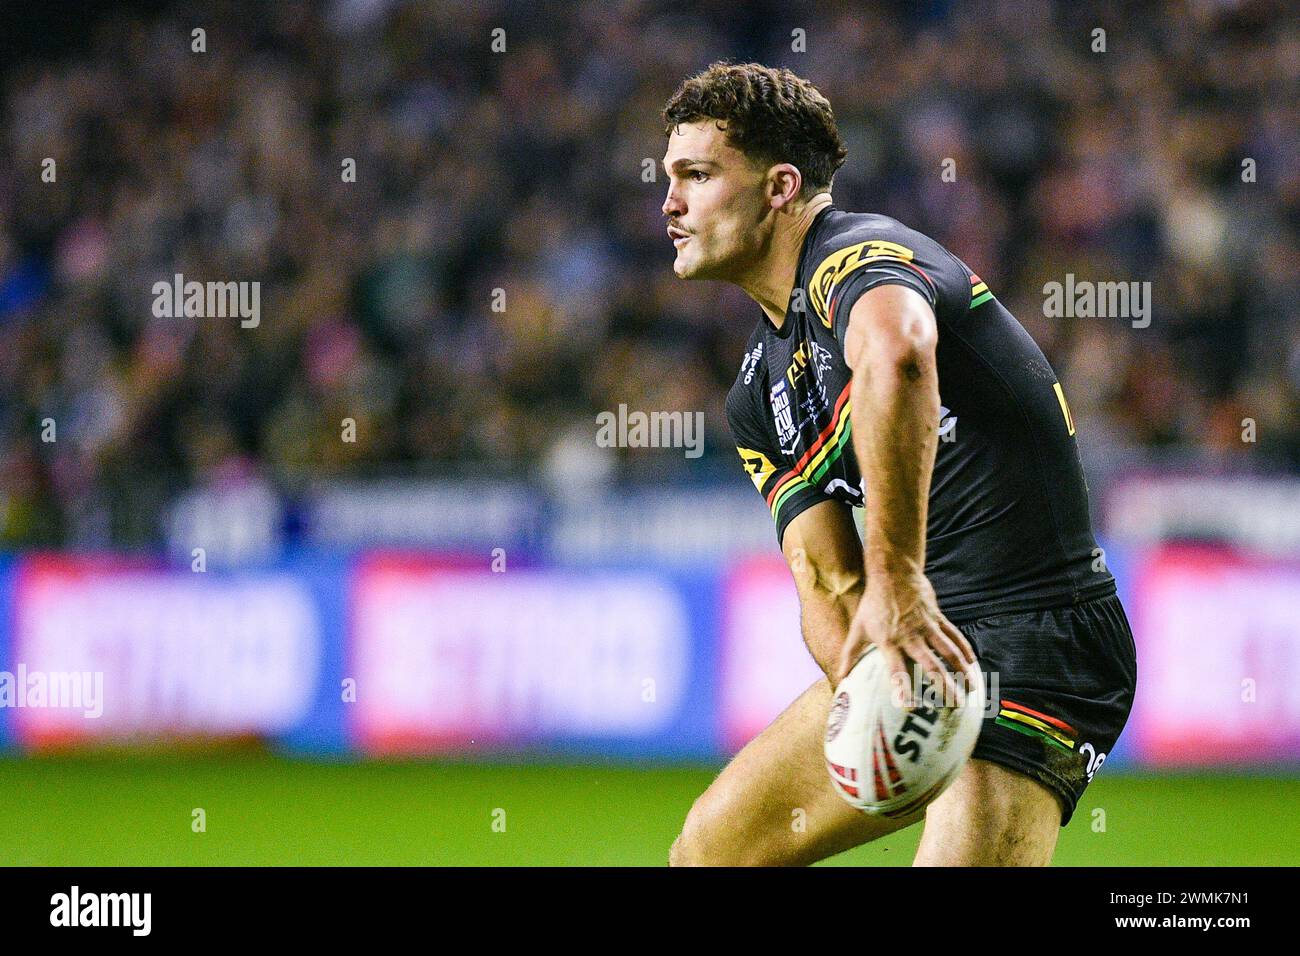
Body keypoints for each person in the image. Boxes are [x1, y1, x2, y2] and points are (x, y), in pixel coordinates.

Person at [661, 61, 1137, 866]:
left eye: (697, 176)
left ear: (781, 187)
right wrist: (865, 685)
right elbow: (823, 580)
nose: (668, 203)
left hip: (1035, 637)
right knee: (710, 852)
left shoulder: (857, 257)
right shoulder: (754, 396)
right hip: (922, 639)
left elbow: (899, 355)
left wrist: (899, 577)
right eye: (670, 177)